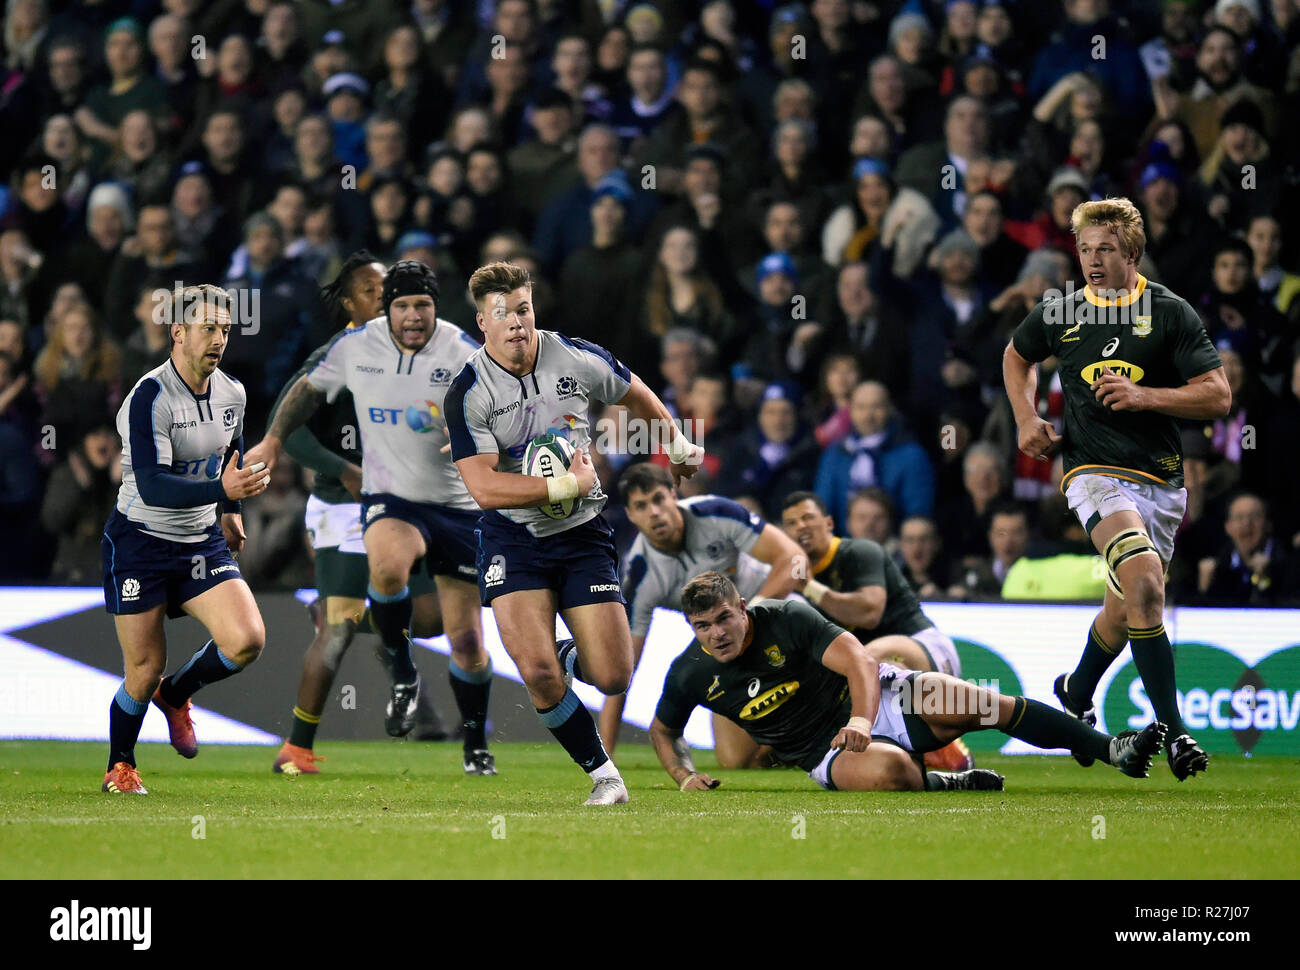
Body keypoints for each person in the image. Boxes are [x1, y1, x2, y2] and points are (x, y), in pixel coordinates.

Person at [443, 260, 704, 806]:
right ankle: (605, 777)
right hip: (512, 538)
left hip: (583, 534)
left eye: (523, 309)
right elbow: (486, 489)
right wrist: (567, 484)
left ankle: (566, 656)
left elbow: (636, 393)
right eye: (502, 314)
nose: (516, 323)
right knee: (536, 671)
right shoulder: (468, 389)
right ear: (481, 322)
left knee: (612, 677)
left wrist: (676, 441)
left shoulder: (574, 356)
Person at [1003, 196, 1230, 780]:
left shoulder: (1170, 312)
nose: (1092, 260)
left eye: (1105, 248)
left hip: (1161, 479)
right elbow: (1015, 355)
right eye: (1084, 249)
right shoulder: (1061, 312)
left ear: (1131, 251)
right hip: (1092, 472)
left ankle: (1076, 691)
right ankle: (1176, 732)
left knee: (1131, 604)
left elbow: (1218, 396)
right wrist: (1026, 420)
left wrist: (1146, 396)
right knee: (1146, 583)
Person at [246, 260, 497, 775]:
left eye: (421, 305)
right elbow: (301, 394)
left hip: (455, 506)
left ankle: (475, 746)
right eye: (399, 303)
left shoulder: (465, 354)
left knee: (462, 638)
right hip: (383, 501)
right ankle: (385, 687)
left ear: (436, 307)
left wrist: (482, 440)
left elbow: (505, 410)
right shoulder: (352, 347)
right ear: (383, 308)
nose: (411, 315)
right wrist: (273, 440)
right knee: (377, 576)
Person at [650, 572, 1167, 793]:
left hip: (879, 699)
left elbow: (859, 660)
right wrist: (683, 775)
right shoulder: (691, 672)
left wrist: (860, 716)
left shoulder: (785, 616)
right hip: (824, 751)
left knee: (983, 705)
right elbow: (663, 730)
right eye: (703, 626)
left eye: (723, 618)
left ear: (742, 607)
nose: (716, 634)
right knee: (893, 772)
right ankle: (946, 782)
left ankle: (1110, 750)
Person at [100, 285, 271, 795]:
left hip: (199, 541)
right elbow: (151, 485)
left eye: (225, 330)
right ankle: (121, 766)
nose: (218, 339)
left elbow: (232, 451)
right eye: (207, 328)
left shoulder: (232, 393)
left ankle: (177, 695)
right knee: (144, 668)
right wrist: (221, 489)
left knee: (247, 641)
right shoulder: (149, 396)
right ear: (178, 332)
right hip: (141, 541)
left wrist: (231, 509)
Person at [609, 462, 804, 763]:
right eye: (641, 506)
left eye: (659, 499)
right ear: (631, 516)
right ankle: (799, 743)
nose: (654, 512)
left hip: (774, 618)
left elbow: (794, 558)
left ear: (674, 495)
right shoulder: (641, 572)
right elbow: (623, 666)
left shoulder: (715, 512)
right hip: (728, 649)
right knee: (734, 760)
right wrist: (604, 754)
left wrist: (751, 614)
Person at [780, 491, 973, 772]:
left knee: (872, 656)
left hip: (923, 647)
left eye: (808, 518)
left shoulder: (860, 551)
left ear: (829, 523)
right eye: (792, 523)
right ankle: (905, 751)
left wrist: (810, 588)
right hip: (871, 670)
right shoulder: (789, 575)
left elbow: (869, 614)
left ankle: (944, 745)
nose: (801, 527)